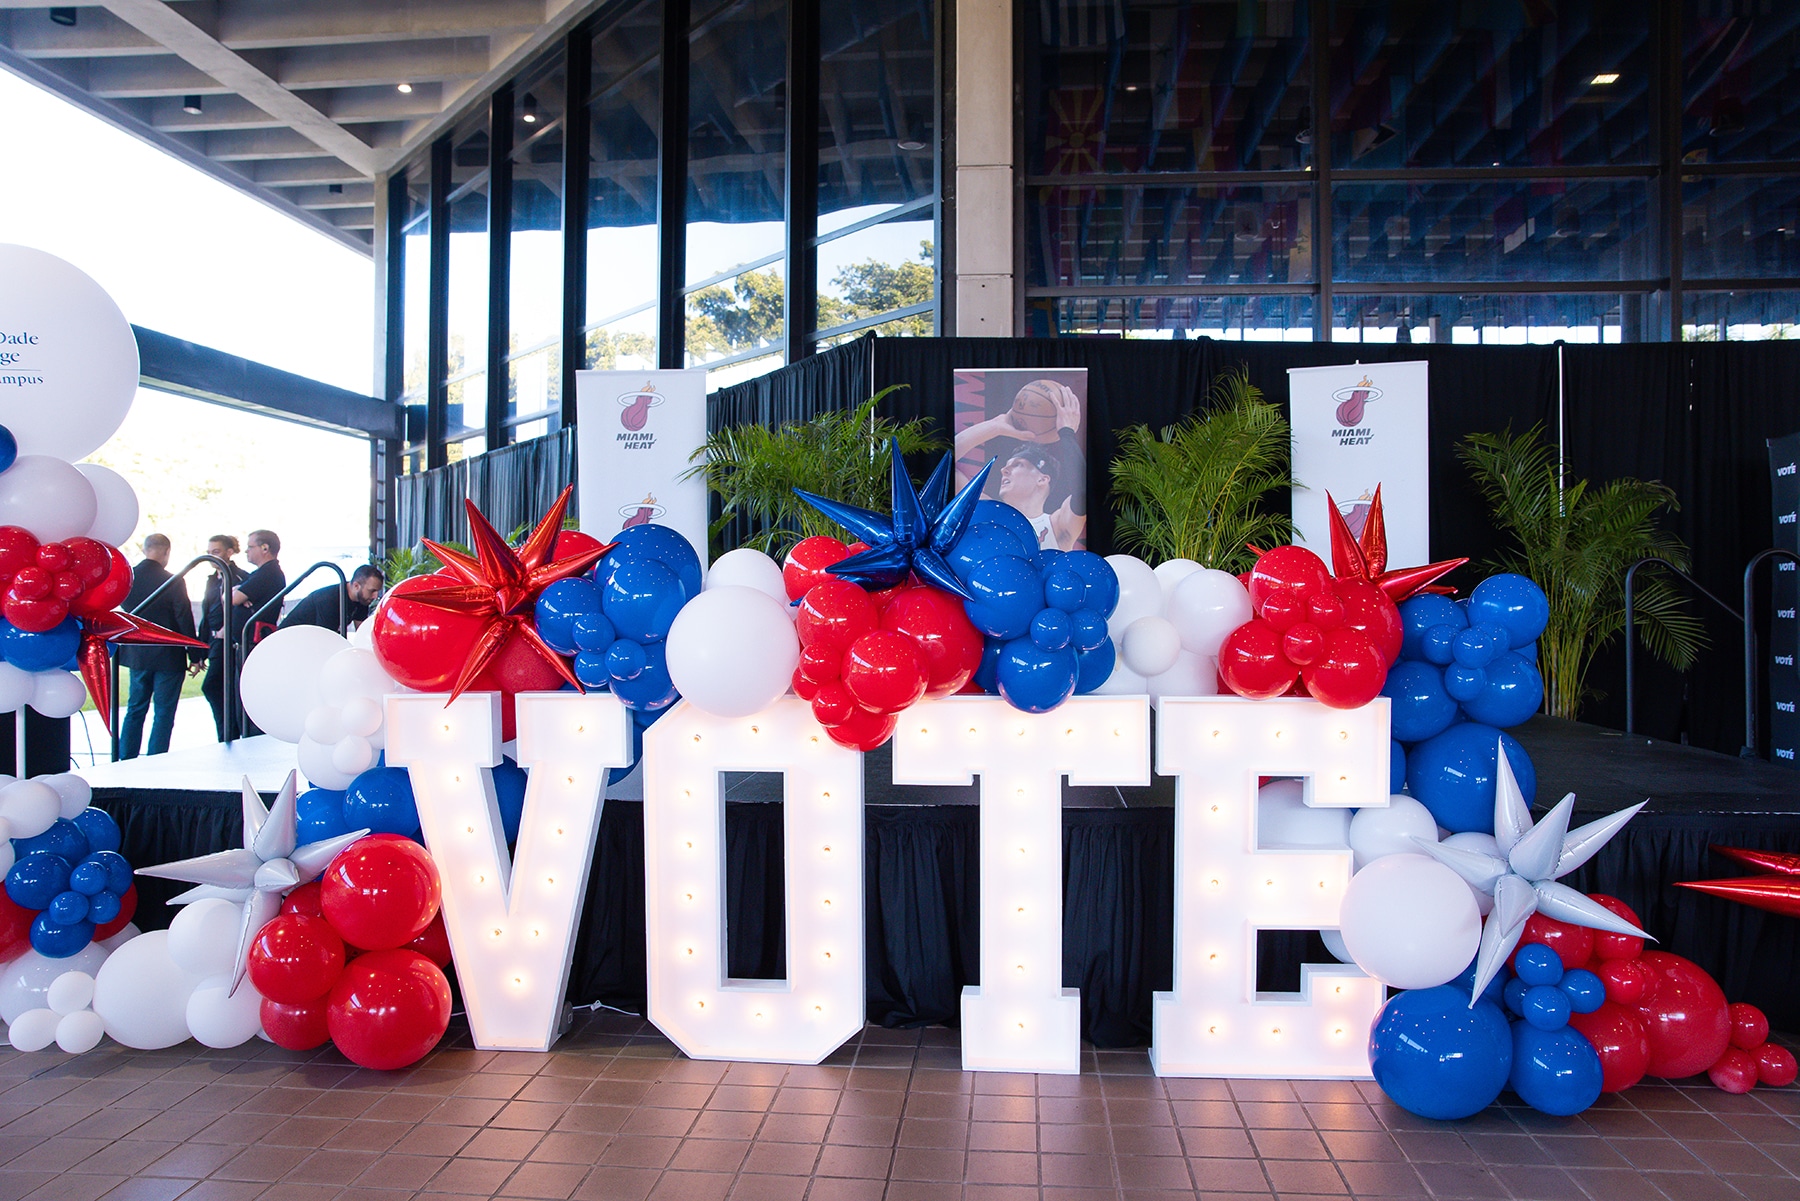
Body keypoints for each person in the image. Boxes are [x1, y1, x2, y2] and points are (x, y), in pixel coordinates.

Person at [954, 379, 1088, 550]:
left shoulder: (1056, 525)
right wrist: (995, 425)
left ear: (1043, 479)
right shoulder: (988, 513)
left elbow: (1082, 490)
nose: (1004, 470)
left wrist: (1066, 433)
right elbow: (947, 467)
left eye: (1018, 465)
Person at [118, 534, 196, 759]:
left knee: (135, 709)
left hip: (138, 652)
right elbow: (183, 616)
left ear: (145, 550)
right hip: (168, 655)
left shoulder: (128, 577)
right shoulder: (172, 580)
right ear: (166, 552)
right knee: (163, 712)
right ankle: (157, 758)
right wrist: (196, 652)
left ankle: (126, 757)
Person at [198, 534, 246, 742]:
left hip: (228, 642)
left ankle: (230, 732)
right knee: (215, 687)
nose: (211, 557)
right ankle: (225, 732)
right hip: (213, 640)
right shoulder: (211, 580)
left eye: (216, 552)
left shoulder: (241, 578)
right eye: (208, 553)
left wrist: (228, 628)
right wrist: (199, 650)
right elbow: (207, 614)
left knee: (213, 686)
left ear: (229, 552)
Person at [279, 565, 383, 632]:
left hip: (309, 640)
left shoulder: (362, 600)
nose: (375, 596)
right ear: (356, 586)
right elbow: (326, 638)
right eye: (372, 591)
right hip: (289, 638)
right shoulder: (330, 599)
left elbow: (361, 631)